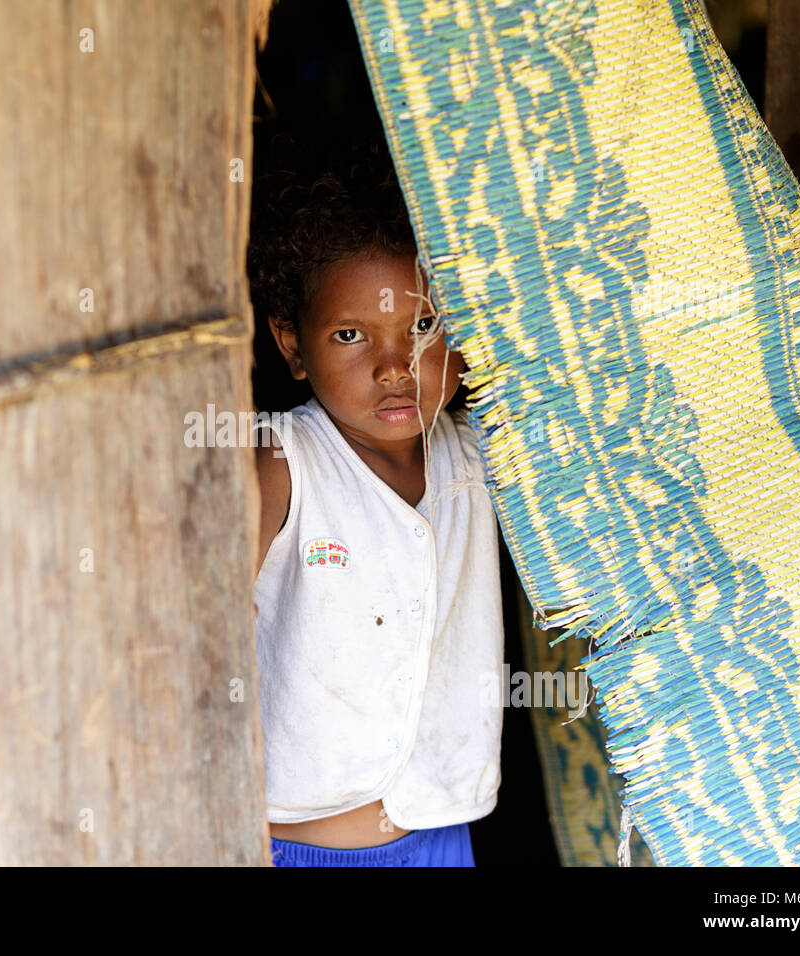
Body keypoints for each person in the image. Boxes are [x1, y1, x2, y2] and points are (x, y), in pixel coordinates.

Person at [247, 134, 505, 867]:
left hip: (440, 840)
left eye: (424, 327)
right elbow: (204, 625)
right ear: (293, 346)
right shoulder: (280, 462)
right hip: (292, 851)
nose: (396, 367)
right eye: (352, 334)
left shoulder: (487, 454)